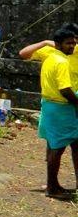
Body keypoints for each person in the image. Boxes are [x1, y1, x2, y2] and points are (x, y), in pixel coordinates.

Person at [19, 27, 78, 199]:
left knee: (63, 145)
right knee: (56, 148)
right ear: (58, 44)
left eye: (74, 42)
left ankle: (53, 184)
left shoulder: (54, 57)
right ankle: (52, 186)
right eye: (69, 43)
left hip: (56, 105)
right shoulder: (60, 61)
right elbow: (65, 90)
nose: (72, 46)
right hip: (63, 105)